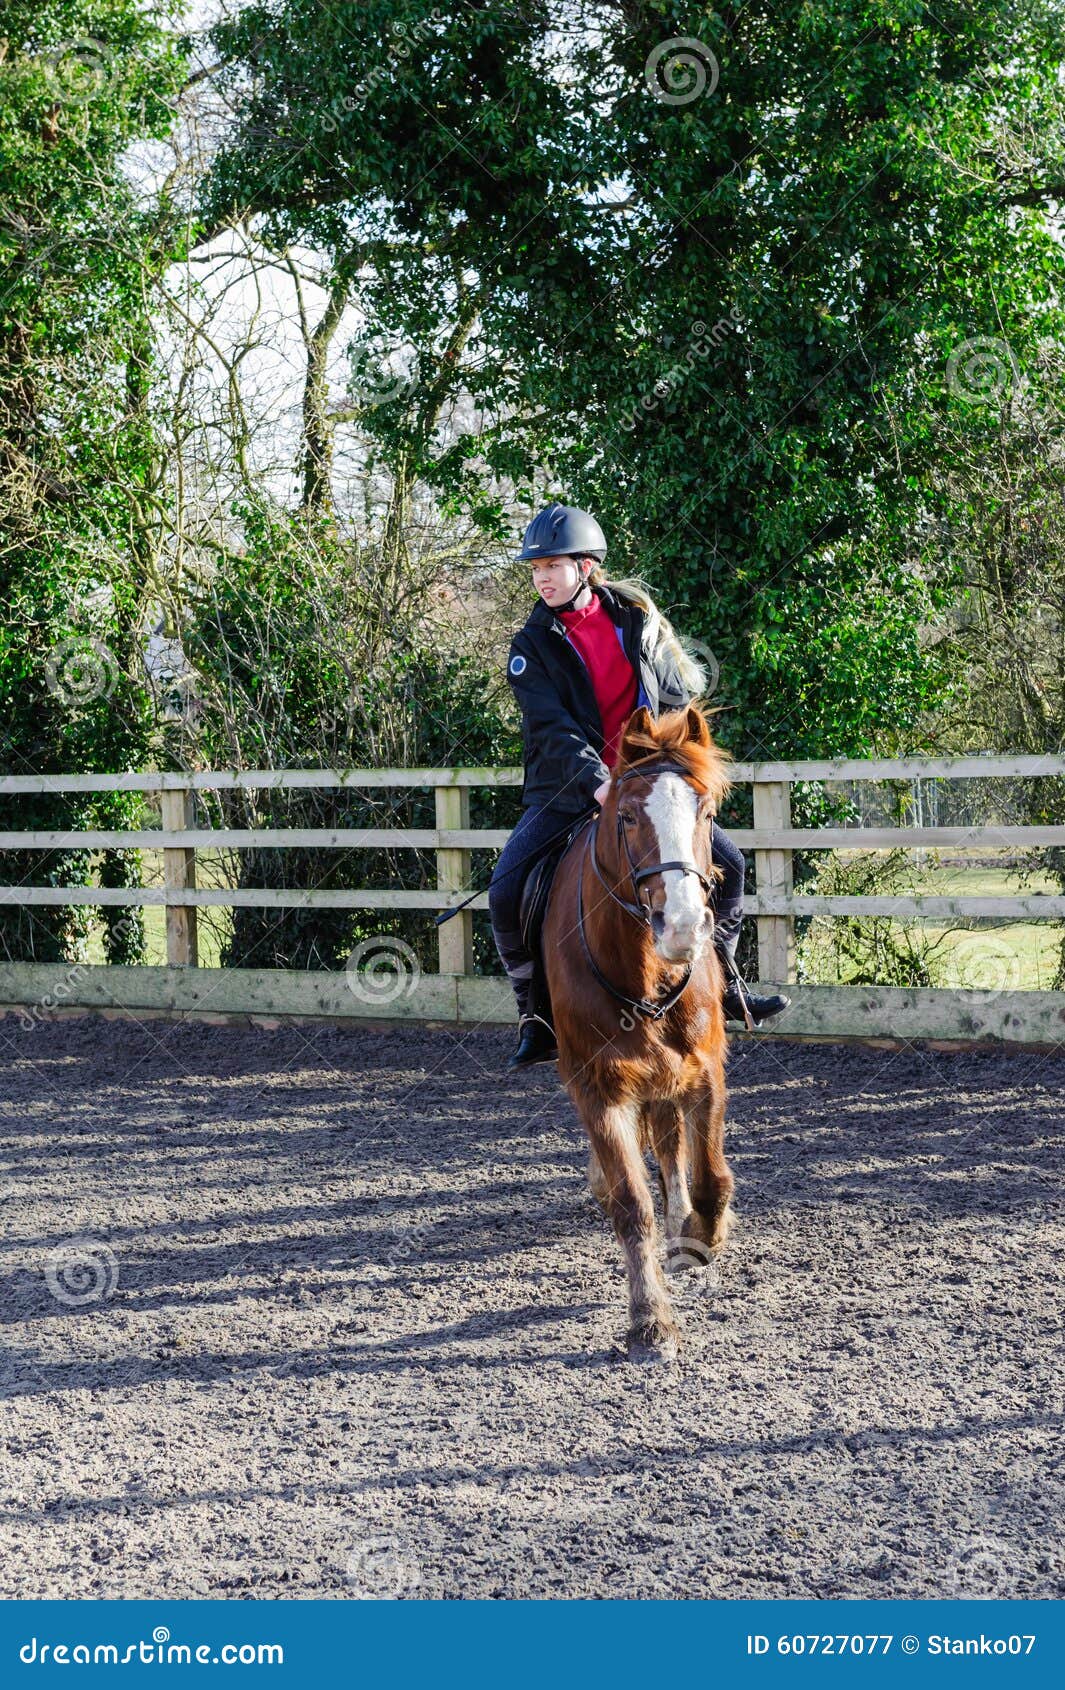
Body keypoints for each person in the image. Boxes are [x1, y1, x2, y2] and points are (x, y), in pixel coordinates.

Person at [489, 502, 790, 1069]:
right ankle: (534, 1012)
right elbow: (552, 731)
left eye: (552, 565)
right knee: (506, 890)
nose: (542, 578)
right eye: (535, 569)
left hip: (649, 786)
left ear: (586, 566)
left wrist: (671, 770)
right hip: (568, 790)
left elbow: (677, 698)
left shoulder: (637, 622)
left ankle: (724, 985)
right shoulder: (530, 647)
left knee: (732, 868)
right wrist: (598, 784)